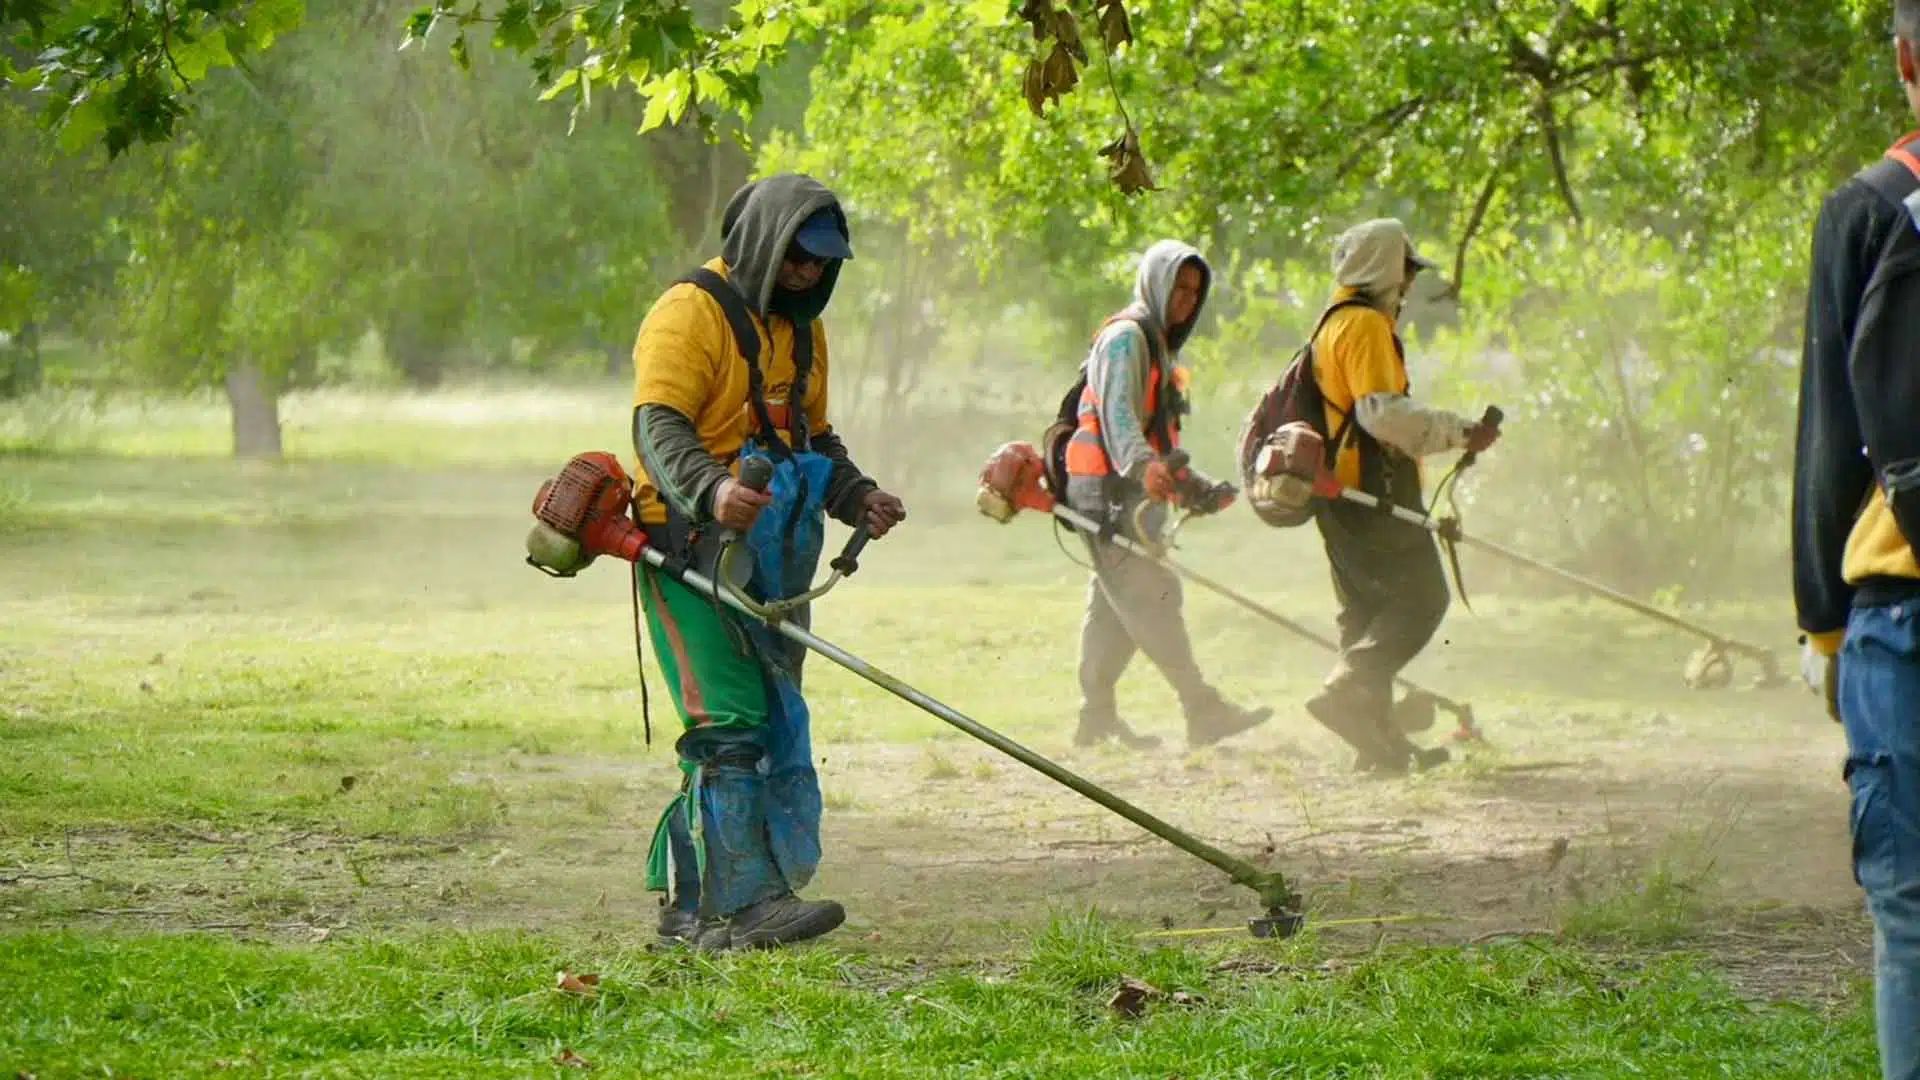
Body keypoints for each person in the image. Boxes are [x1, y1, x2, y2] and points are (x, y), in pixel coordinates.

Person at [629, 173, 906, 950]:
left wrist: (857, 496)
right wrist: (712, 490)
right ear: (761, 243)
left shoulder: (805, 333)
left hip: (774, 564)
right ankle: (746, 905)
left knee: (763, 721)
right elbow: (657, 425)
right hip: (688, 552)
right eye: (798, 258)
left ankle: (692, 913)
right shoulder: (688, 313)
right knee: (730, 725)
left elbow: (809, 438)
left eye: (822, 263)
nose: (809, 274)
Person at [1792, 4, 1920, 1070]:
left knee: (1914, 910)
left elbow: (1832, 440)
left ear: (1905, 57)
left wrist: (1822, 632)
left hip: (1904, 600)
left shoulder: (1869, 210)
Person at [1302, 219, 1498, 774]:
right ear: (1385, 268)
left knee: (1366, 615)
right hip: (1372, 489)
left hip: (1340, 496)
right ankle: (1349, 687)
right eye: (1406, 270)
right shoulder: (1364, 326)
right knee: (1422, 598)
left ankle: (1379, 746)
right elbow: (1381, 414)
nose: (1409, 283)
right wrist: (1461, 431)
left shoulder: (1332, 323)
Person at [1064, 239, 1273, 750]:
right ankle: (1202, 708)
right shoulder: (1127, 339)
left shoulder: (1156, 344)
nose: (1184, 300)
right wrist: (1142, 467)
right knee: (1154, 597)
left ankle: (1095, 718)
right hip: (1108, 489)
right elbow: (1117, 415)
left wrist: (1192, 487)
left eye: (1194, 292)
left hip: (1123, 489)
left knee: (1115, 607)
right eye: (1178, 287)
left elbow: (1155, 438)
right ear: (1155, 283)